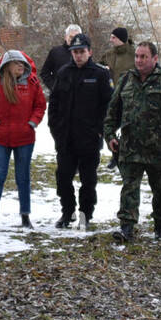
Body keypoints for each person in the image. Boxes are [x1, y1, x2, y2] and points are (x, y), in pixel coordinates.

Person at [102, 40, 161, 242]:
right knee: (129, 188)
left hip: (159, 148)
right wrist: (110, 136)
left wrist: (160, 132)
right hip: (130, 147)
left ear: (154, 59)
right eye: (137, 56)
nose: (138, 60)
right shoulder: (126, 80)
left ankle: (160, 227)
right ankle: (127, 228)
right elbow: (112, 112)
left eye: (143, 57)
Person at [47, 33, 113, 230]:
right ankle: (67, 213)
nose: (78, 55)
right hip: (66, 138)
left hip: (89, 138)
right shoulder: (64, 72)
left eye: (81, 51)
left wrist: (100, 131)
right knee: (63, 178)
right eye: (74, 52)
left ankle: (85, 215)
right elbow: (54, 104)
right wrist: (55, 129)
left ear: (89, 52)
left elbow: (108, 106)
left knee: (88, 181)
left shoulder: (100, 74)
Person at [0, 50, 45, 231]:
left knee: (23, 177)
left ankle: (25, 217)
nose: (21, 66)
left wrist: (32, 123)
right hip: (1, 138)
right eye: (17, 63)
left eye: (23, 63)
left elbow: (40, 105)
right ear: (7, 65)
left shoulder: (32, 83)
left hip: (25, 138)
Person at [40, 24, 82, 94]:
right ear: (65, 37)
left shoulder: (84, 53)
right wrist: (54, 87)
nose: (74, 40)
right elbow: (44, 72)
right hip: (60, 97)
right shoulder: (55, 52)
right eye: (71, 37)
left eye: (76, 37)